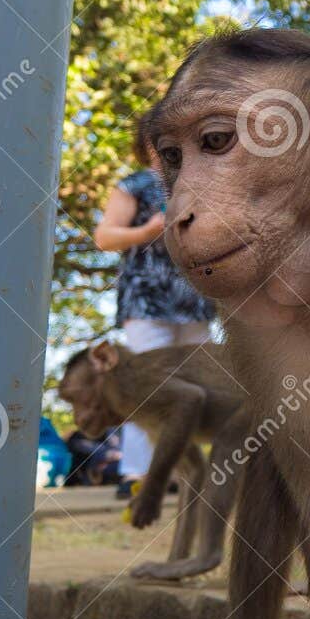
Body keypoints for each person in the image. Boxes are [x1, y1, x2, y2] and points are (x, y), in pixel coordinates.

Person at [93, 116, 216, 498]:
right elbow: (104, 237)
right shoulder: (135, 185)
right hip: (146, 299)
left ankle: (184, 473)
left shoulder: (203, 183)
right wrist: (146, 232)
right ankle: (135, 474)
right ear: (148, 144)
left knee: (197, 386)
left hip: (195, 299)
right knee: (147, 385)